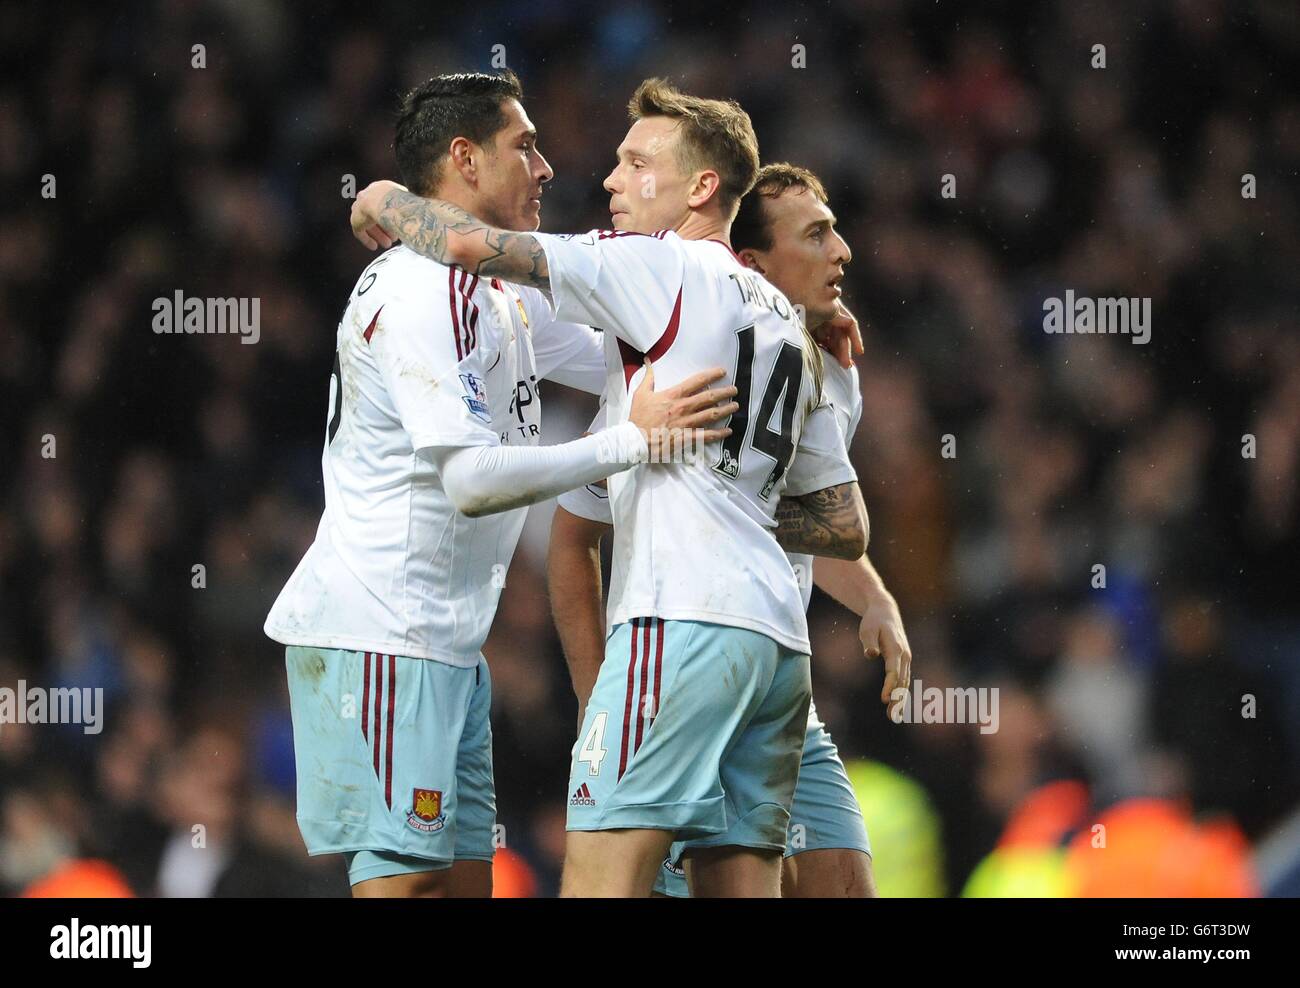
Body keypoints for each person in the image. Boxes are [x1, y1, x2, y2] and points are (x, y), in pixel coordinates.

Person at [349, 78, 869, 897]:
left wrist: (382, 196)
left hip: (680, 621)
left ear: (701, 187)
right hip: (775, 647)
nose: (610, 179)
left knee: (597, 882)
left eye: (637, 163)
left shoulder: (656, 265)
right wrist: (730, 486)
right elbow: (842, 524)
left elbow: (472, 246)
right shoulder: (785, 321)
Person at [265, 71, 736, 898]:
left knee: (465, 886)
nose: (546, 167)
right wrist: (631, 441)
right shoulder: (424, 288)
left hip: (446, 645)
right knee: (406, 887)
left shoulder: (493, 290)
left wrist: (765, 319)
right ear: (465, 159)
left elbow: (628, 354)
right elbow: (473, 481)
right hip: (382, 636)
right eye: (524, 146)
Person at [549, 163, 915, 897]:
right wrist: (597, 704)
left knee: (842, 883)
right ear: (752, 265)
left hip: (767, 670)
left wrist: (873, 595)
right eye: (816, 235)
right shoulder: (676, 384)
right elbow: (571, 539)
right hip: (679, 659)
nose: (843, 251)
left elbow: (804, 520)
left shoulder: (829, 367)